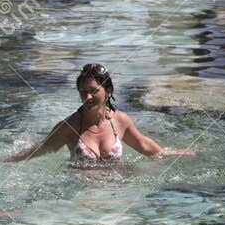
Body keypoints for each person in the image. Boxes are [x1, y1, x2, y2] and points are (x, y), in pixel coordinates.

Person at [10, 64, 192, 163]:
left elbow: (145, 146)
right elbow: (40, 149)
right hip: (83, 195)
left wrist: (177, 153)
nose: (87, 97)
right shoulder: (69, 127)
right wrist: (3, 161)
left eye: (93, 91)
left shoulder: (120, 121)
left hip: (118, 190)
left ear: (108, 91)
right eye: (83, 91)